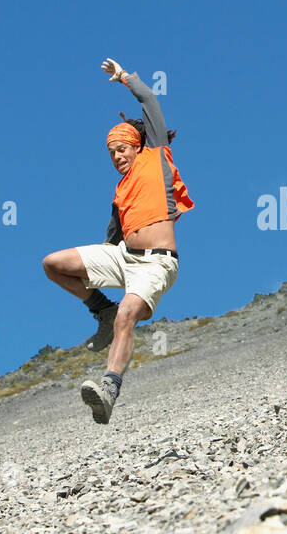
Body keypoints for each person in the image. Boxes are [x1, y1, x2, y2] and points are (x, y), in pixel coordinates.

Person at [41, 58, 193, 422]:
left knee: (129, 314)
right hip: (123, 256)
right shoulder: (121, 189)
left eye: (121, 149)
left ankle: (109, 388)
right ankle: (101, 310)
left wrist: (125, 77)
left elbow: (150, 103)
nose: (116, 157)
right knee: (54, 265)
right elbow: (113, 237)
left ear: (136, 145)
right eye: (111, 153)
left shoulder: (155, 155)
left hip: (156, 262)